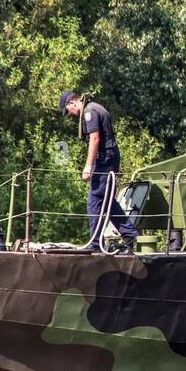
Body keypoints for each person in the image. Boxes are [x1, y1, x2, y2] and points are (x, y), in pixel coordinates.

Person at [59, 90, 139, 253]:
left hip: (105, 159)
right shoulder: (94, 107)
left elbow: (95, 139)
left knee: (95, 199)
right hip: (108, 157)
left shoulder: (89, 112)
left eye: (69, 110)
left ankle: (95, 244)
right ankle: (129, 233)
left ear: (72, 103)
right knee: (106, 200)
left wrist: (88, 166)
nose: (71, 114)